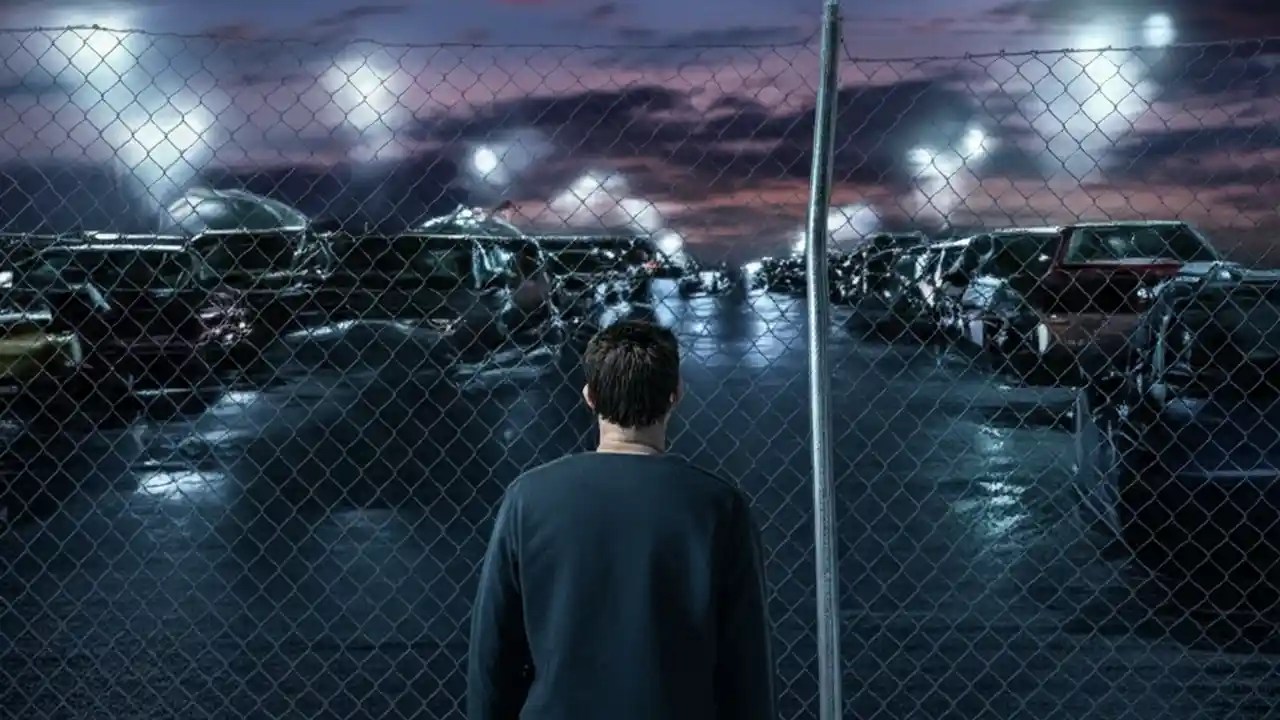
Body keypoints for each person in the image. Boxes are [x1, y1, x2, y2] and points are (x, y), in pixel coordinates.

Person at [467, 320, 776, 720]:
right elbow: (746, 664)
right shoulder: (718, 507)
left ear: (590, 396)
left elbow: (493, 651)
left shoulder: (528, 498)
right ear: (675, 395)